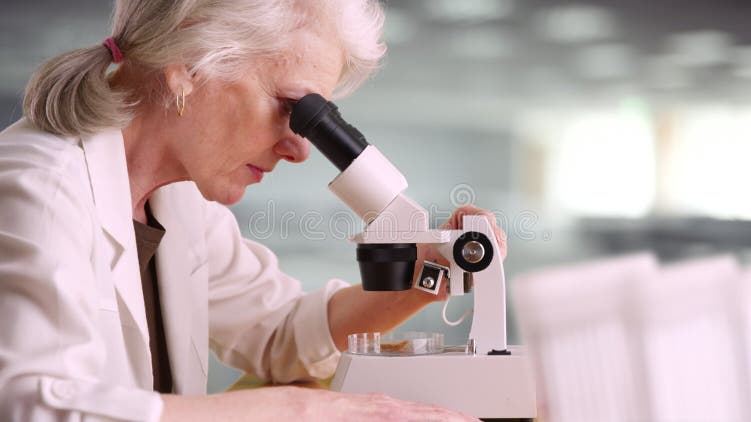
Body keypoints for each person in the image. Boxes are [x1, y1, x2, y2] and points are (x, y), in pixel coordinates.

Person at [0, 1, 507, 421]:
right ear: (188, 64)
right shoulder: (37, 189)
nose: (300, 148)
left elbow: (282, 333)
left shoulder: (178, 201)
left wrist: (427, 271)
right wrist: (299, 411)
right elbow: (33, 406)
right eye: (292, 108)